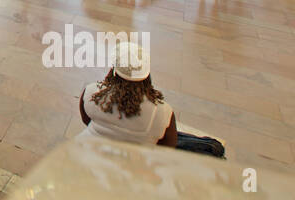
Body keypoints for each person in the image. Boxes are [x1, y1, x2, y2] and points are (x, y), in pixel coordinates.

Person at [78, 42, 224, 157]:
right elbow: (167, 148)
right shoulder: (162, 112)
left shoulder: (91, 92)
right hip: (135, 166)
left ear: (113, 71)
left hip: (89, 153)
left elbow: (86, 120)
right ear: (147, 76)